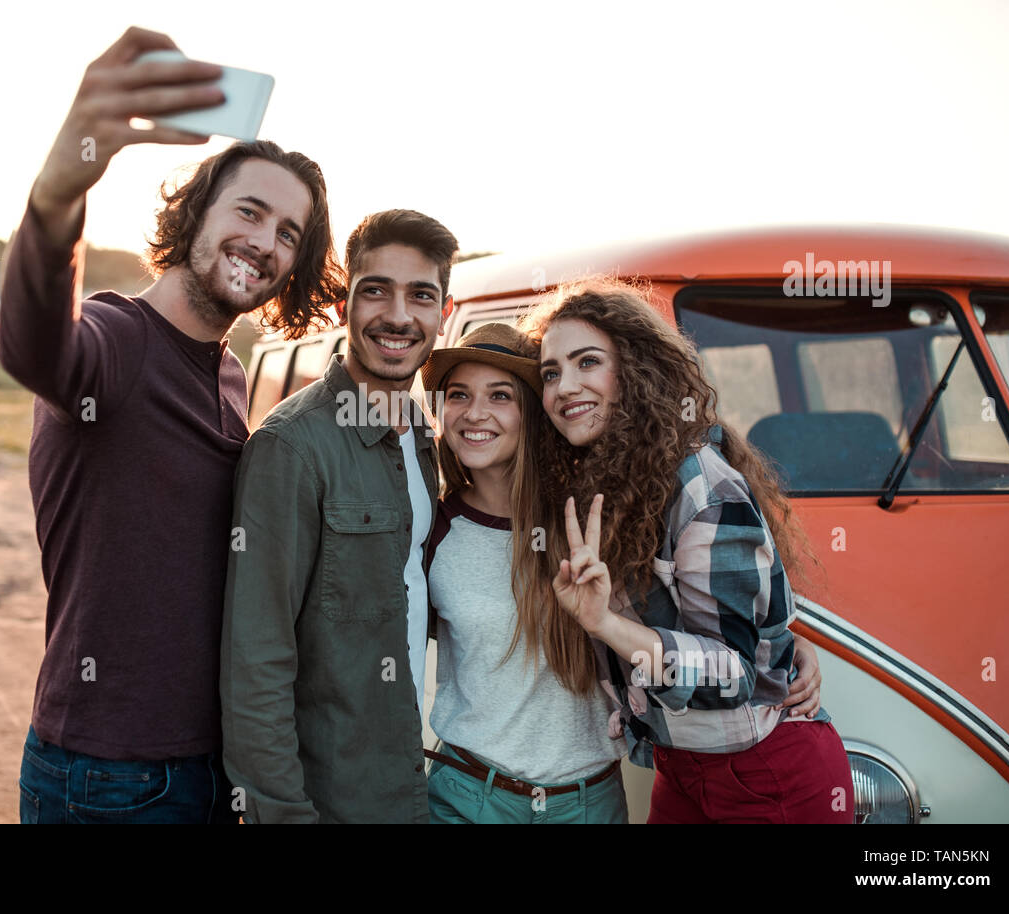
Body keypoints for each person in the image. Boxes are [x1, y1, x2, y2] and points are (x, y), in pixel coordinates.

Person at [0, 27, 342, 824]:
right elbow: (32, 346)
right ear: (193, 216)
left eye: (289, 233)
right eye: (249, 212)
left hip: (208, 767)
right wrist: (57, 194)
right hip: (109, 778)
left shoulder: (227, 374)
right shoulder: (115, 340)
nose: (265, 242)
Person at [521, 278, 851, 824]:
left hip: (768, 774)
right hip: (683, 768)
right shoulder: (604, 481)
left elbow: (733, 676)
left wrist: (606, 624)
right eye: (551, 373)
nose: (564, 387)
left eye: (587, 363)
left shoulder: (699, 487)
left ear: (636, 370)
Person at [220, 209, 458, 823]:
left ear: (445, 313)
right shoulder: (291, 446)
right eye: (375, 289)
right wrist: (280, 814)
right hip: (335, 800)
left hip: (417, 782)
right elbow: (256, 658)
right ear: (343, 305)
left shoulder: (425, 438)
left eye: (421, 296)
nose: (399, 316)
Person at [419, 324, 628, 824]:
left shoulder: (590, 514)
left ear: (531, 412)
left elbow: (691, 607)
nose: (474, 413)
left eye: (500, 396)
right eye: (459, 395)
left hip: (591, 803)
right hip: (470, 797)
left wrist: (785, 646)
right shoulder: (429, 530)